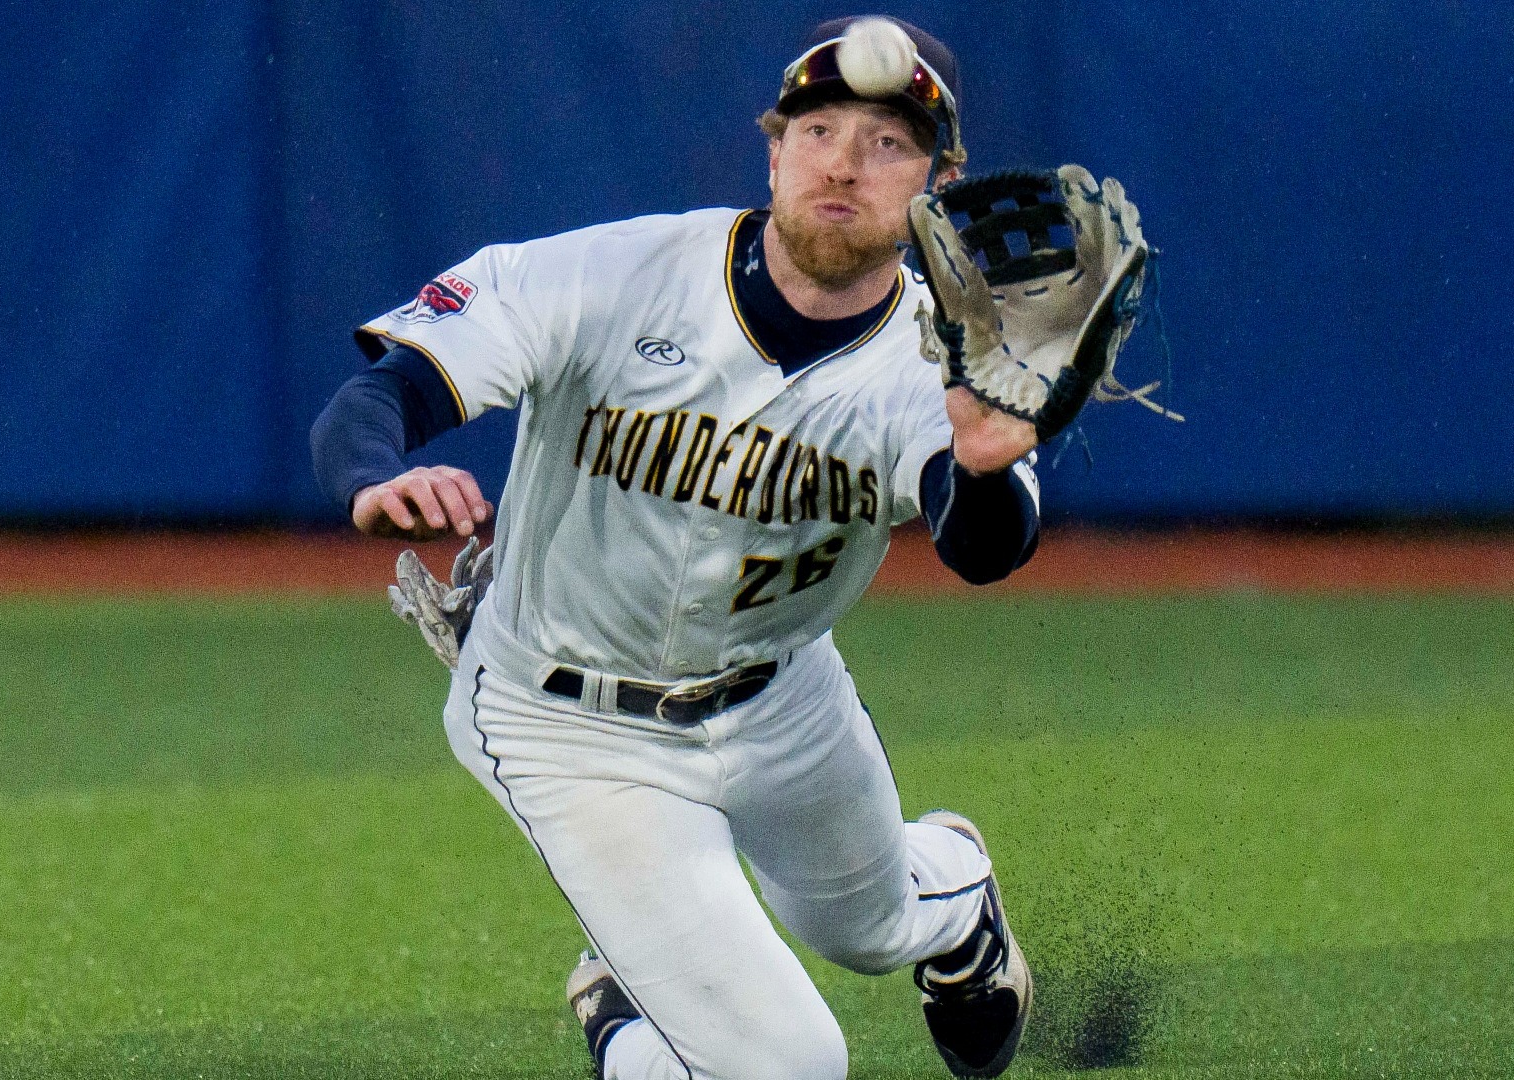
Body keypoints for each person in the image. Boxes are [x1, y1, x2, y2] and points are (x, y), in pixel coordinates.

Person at [312, 17, 1053, 1079]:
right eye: (818, 128)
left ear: (937, 182)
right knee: (791, 1067)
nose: (843, 161)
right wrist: (376, 477)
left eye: (888, 143)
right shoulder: (617, 274)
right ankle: (625, 1022)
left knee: (875, 927)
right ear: (773, 149)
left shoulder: (939, 355)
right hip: (568, 727)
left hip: (784, 697)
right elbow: (382, 396)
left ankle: (958, 902)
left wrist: (981, 464)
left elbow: (983, 549)